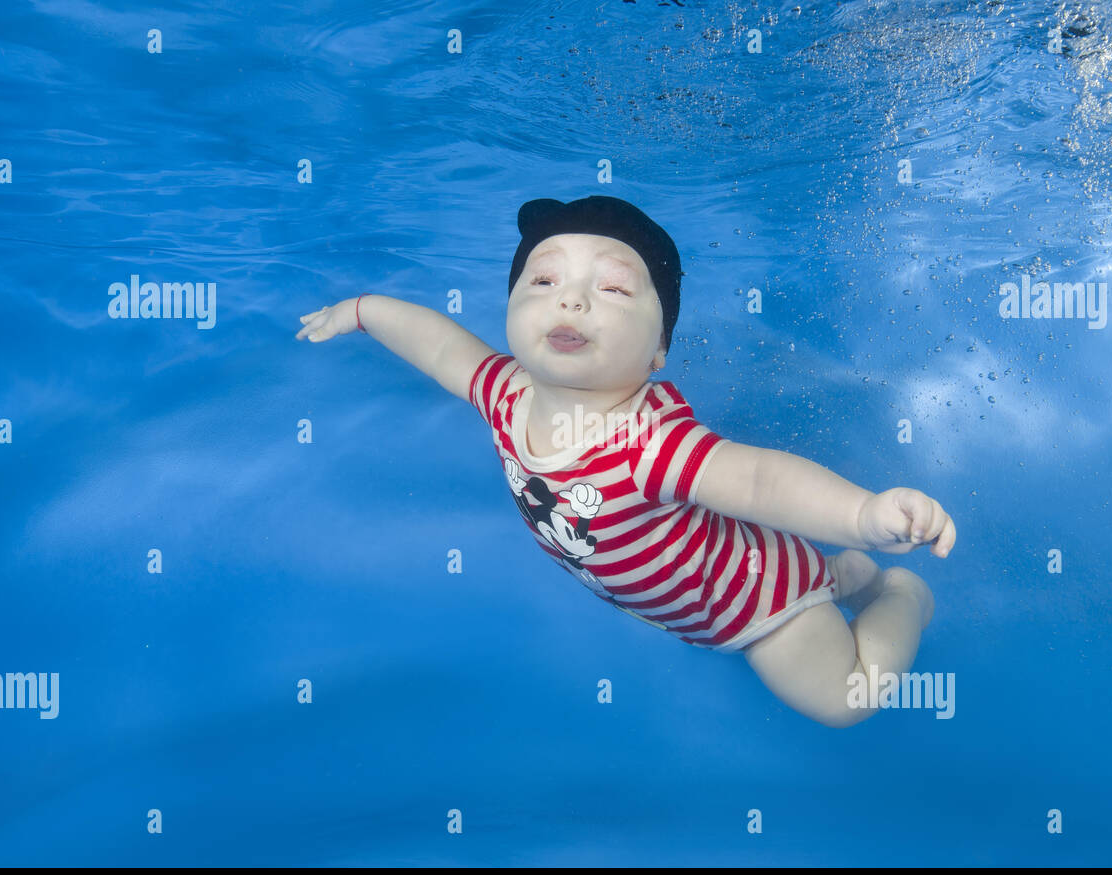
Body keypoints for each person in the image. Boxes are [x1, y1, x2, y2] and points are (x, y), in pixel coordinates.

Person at [296, 196, 955, 728]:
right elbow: (442, 348)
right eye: (544, 277)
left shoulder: (648, 442)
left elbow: (757, 480)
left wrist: (865, 512)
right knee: (808, 582)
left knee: (845, 700)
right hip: (668, 591)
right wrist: (365, 310)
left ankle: (899, 594)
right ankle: (842, 573)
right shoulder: (505, 392)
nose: (571, 299)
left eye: (611, 289)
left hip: (754, 602)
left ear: (658, 349)